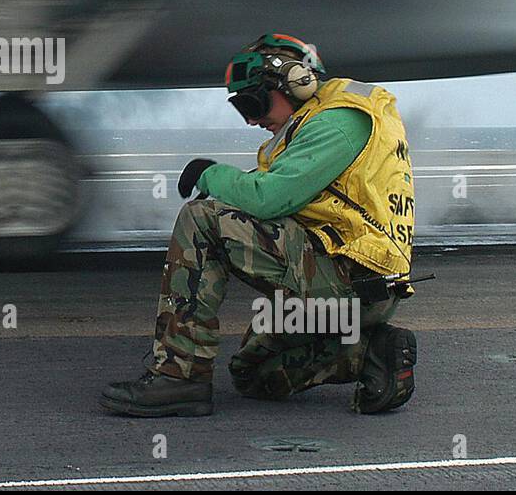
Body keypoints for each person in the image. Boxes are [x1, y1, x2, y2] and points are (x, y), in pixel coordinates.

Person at [100, 33, 418, 417]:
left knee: (202, 221)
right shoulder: (318, 122)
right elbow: (284, 189)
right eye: (241, 107)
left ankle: (179, 377)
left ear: (297, 82)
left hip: (348, 279)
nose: (252, 119)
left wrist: (211, 176)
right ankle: (368, 353)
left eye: (253, 102)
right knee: (253, 375)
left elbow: (270, 198)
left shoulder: (339, 122)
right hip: (346, 285)